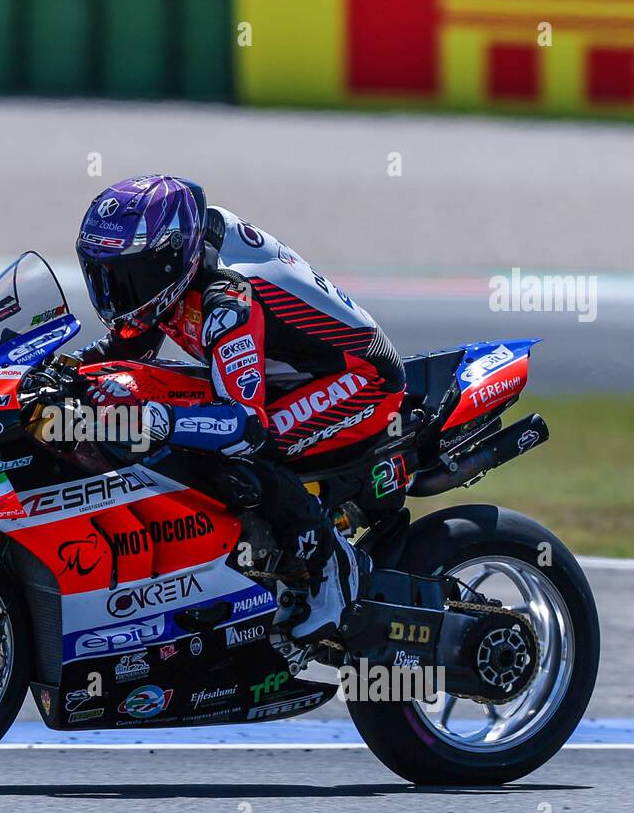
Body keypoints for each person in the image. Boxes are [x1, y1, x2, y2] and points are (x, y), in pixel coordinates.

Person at [75, 174, 405, 642]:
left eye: (126, 278)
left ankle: (333, 569)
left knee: (234, 455)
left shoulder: (226, 301)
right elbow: (135, 338)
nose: (114, 293)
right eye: (104, 276)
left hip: (358, 379)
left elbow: (245, 425)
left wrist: (156, 420)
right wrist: (67, 367)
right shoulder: (181, 264)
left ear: (168, 261)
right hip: (285, 372)